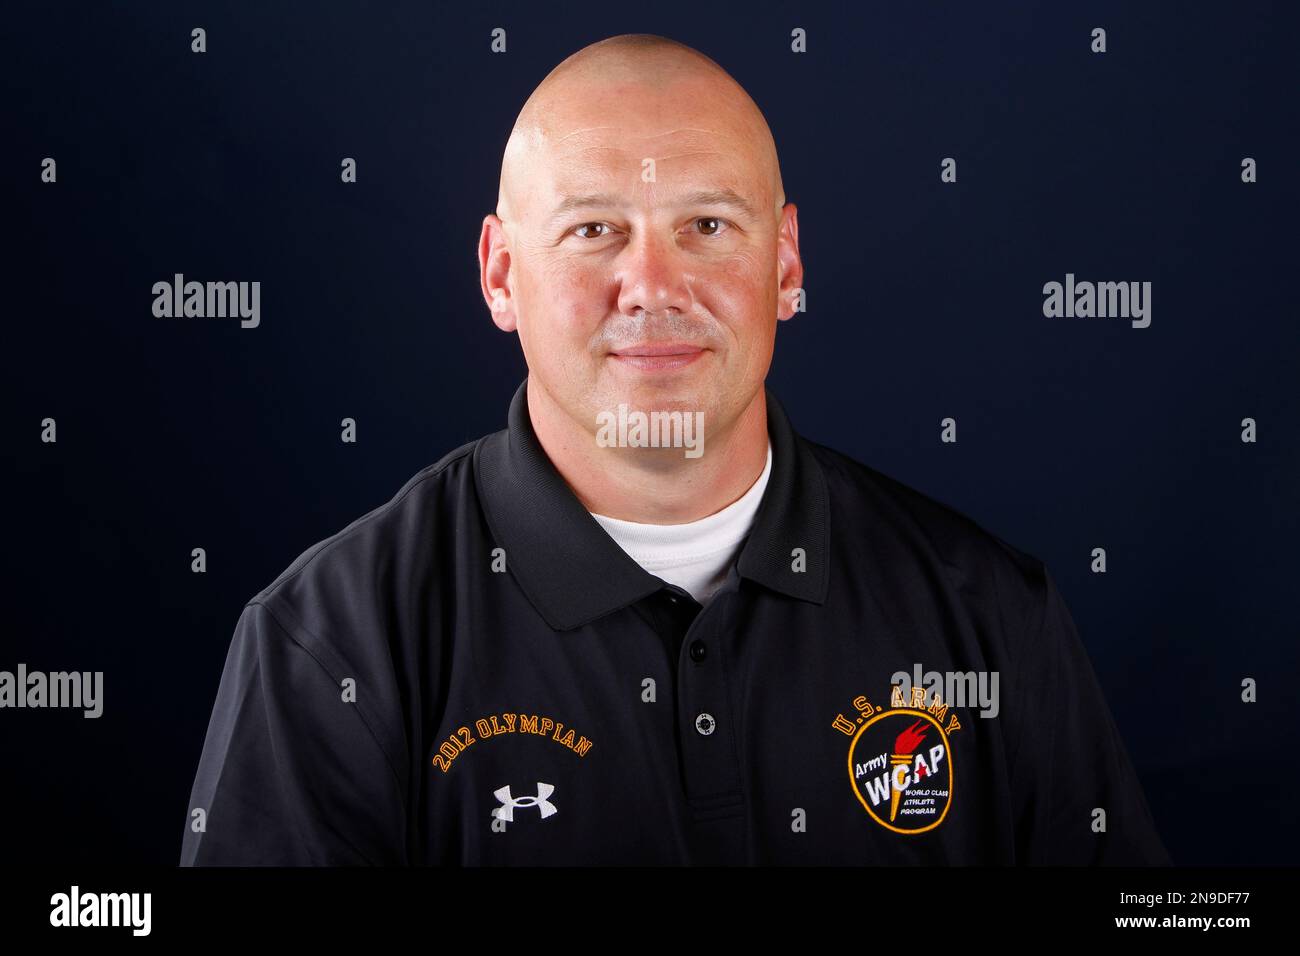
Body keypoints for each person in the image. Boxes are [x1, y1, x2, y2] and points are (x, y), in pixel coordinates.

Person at [180, 34, 1170, 865]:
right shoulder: (332, 647)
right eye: (593, 229)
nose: (653, 285)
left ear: (785, 263)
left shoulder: (988, 614)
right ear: (500, 274)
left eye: (706, 224)